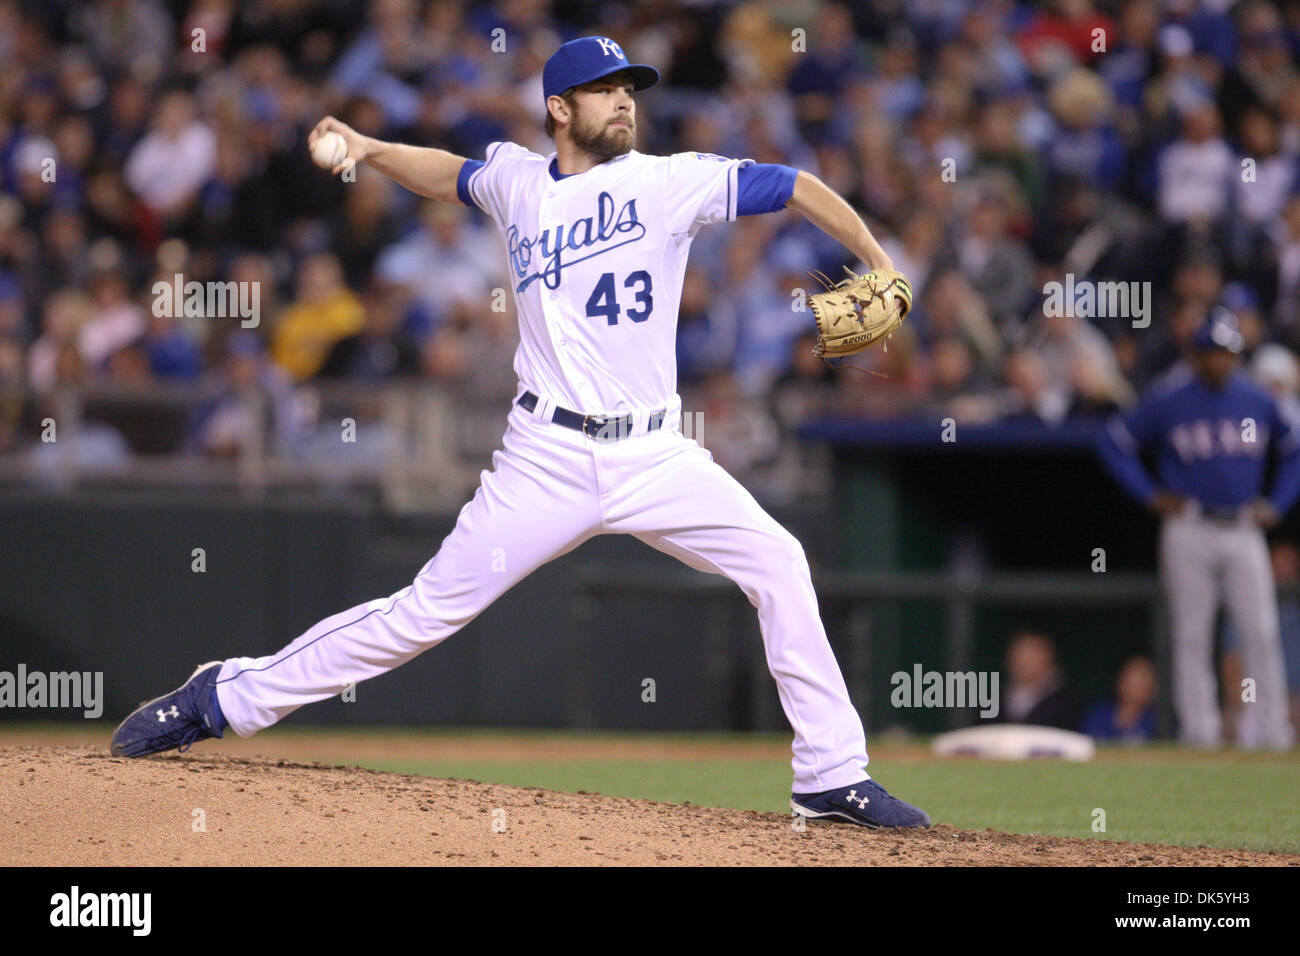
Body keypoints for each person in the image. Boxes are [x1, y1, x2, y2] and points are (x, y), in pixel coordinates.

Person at [110, 36, 930, 829]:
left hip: (655, 453)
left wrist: (874, 254)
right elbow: (446, 174)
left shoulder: (672, 181)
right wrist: (369, 146)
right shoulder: (515, 181)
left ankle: (829, 776)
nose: (624, 102)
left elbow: (793, 183)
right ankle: (222, 696)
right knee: (423, 613)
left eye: (630, 90)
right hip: (546, 459)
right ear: (559, 109)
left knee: (779, 559)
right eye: (607, 90)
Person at [1097, 308, 1299, 748]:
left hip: (1244, 524)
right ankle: (1200, 734)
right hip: (1189, 524)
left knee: (1261, 630)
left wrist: (1278, 504)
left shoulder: (1258, 399)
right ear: (1195, 354)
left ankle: (1273, 733)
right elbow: (1114, 441)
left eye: (1225, 352)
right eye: (1210, 352)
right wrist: (1149, 493)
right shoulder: (1171, 399)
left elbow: (1294, 451)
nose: (1218, 361)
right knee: (1192, 633)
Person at [1080, 656, 1157, 743]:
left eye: (1139, 683)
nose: (1131, 688)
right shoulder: (1099, 713)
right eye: (1128, 680)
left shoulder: (1158, 720)